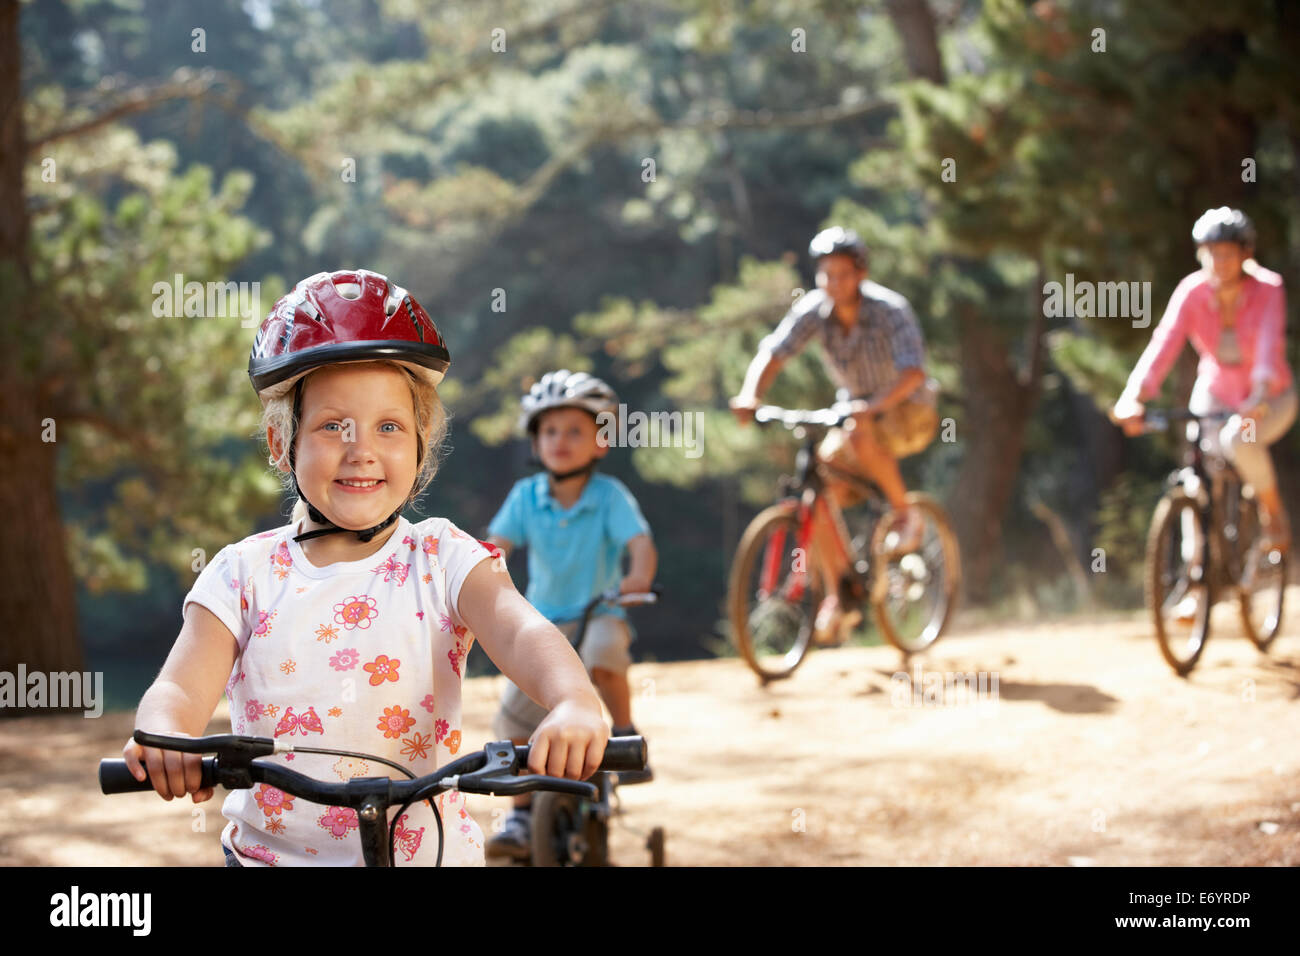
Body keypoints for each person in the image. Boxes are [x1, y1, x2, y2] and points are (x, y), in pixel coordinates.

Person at [121, 269, 609, 867]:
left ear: (421, 442)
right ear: (281, 442)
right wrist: (167, 735)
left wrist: (573, 700)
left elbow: (521, 630)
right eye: (333, 426)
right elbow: (178, 686)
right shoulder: (242, 574)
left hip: (428, 856)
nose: (363, 449)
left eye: (389, 426)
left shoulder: (443, 558)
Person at [729, 226, 939, 645]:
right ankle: (841, 591)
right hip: (855, 411)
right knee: (817, 487)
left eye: (842, 274)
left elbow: (913, 370)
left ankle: (905, 513)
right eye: (826, 274)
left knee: (860, 433)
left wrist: (872, 406)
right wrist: (750, 395)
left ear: (861, 274)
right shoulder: (814, 310)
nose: (833, 283)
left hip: (908, 408)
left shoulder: (889, 309)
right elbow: (775, 351)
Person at [483, 370, 657, 860]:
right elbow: (495, 549)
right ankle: (519, 814)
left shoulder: (610, 496)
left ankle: (623, 731)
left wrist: (637, 576)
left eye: (576, 431)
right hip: (542, 623)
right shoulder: (525, 496)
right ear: (535, 441)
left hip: (599, 609)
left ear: (601, 442)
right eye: (550, 431)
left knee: (604, 654)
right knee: (515, 719)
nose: (561, 441)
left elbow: (639, 543)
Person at [1113, 206, 1296, 598]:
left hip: (1268, 398)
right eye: (1210, 252)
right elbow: (1164, 344)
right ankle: (1194, 582)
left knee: (1238, 438)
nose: (1218, 261)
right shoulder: (1192, 292)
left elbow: (1268, 346)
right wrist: (1134, 396)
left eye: (1227, 252)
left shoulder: (1268, 288)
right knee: (1196, 482)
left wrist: (1259, 396)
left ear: (1245, 254)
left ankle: (1271, 513)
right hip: (1215, 391)